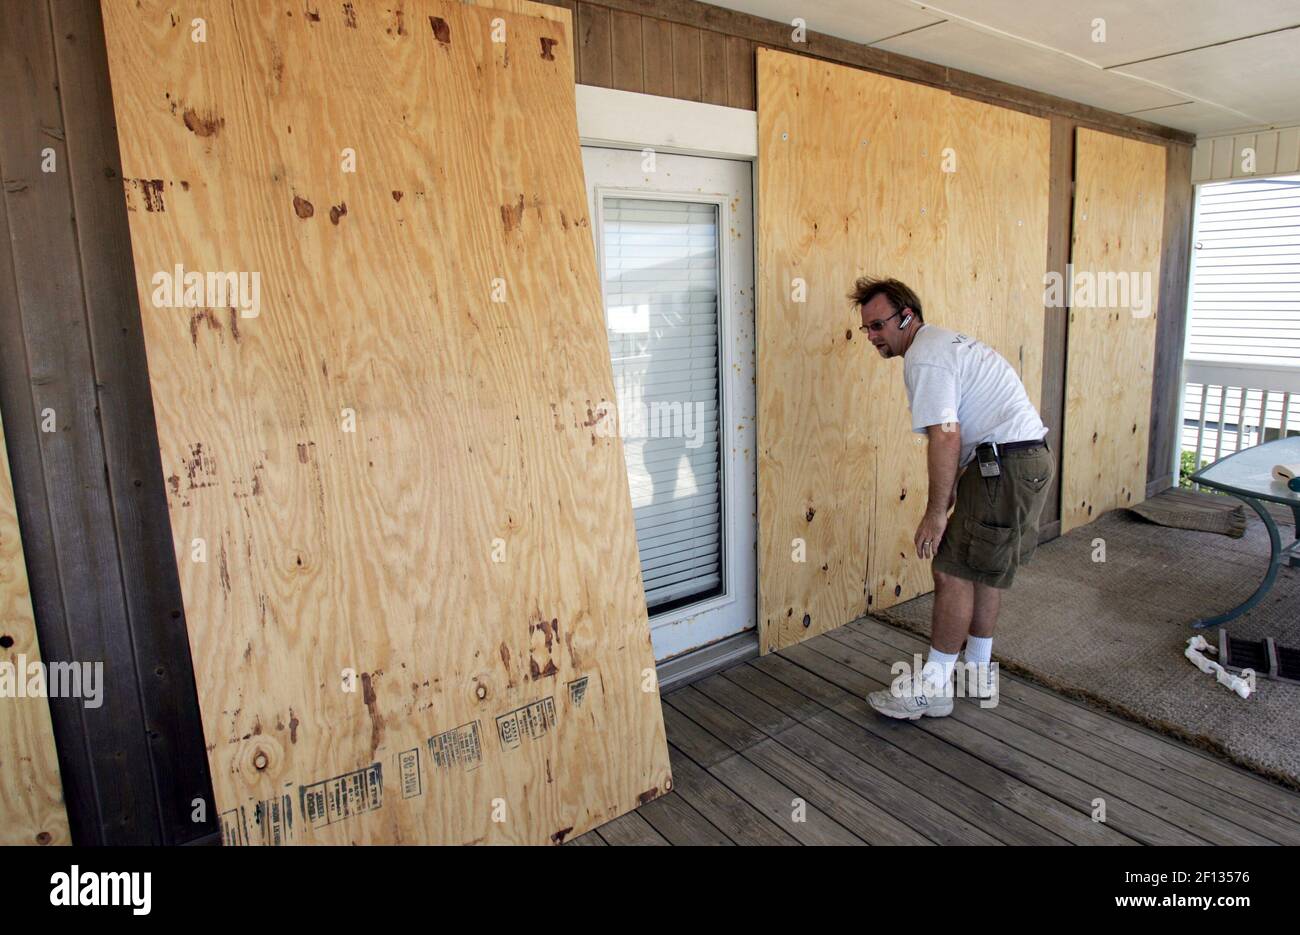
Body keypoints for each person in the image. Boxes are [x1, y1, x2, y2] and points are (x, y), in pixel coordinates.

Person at [851, 277, 1052, 719]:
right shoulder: (943, 344)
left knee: (952, 571)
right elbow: (963, 435)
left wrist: (935, 513)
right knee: (983, 571)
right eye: (866, 328)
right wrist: (957, 491)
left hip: (1003, 465)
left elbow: (945, 436)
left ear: (907, 317)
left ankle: (933, 688)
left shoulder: (925, 357)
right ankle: (977, 673)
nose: (871, 336)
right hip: (1021, 460)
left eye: (878, 325)